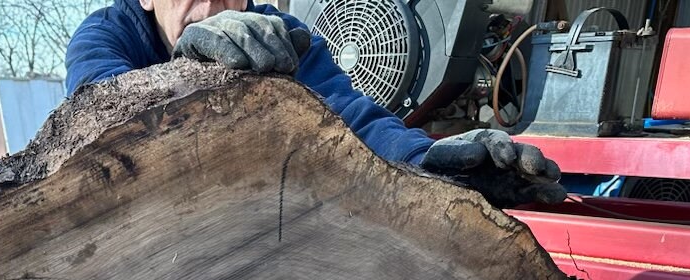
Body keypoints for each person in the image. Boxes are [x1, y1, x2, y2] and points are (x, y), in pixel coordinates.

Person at [65, 1, 565, 207]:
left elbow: (349, 118)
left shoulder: (280, 35)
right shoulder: (106, 37)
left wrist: (425, 161)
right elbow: (100, 124)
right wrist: (188, 70)